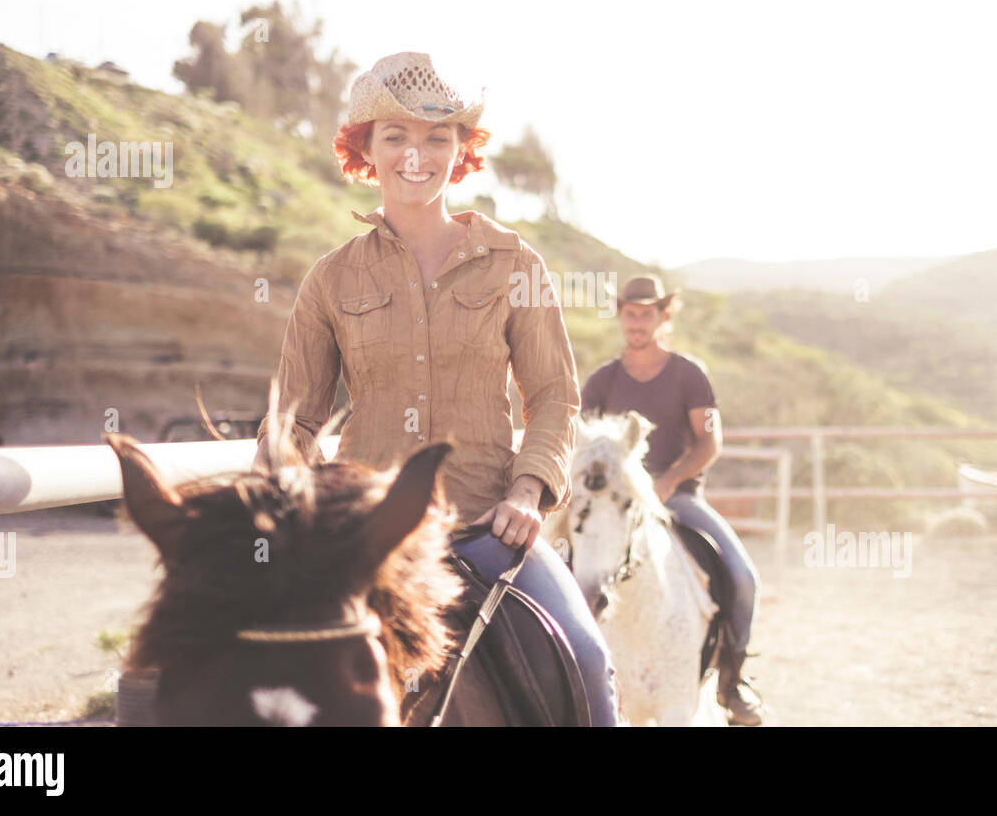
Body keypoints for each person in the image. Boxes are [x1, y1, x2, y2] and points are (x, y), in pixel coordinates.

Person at [253, 51, 619, 726]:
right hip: (366, 538)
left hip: (490, 529)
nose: (416, 156)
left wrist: (527, 492)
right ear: (366, 147)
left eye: (436, 138)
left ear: (462, 150)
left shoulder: (517, 263)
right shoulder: (330, 280)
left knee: (589, 662)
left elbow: (554, 396)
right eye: (396, 137)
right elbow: (293, 424)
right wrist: (296, 508)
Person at [580, 273, 764, 725]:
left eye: (646, 314)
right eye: (630, 314)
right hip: (613, 507)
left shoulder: (689, 373)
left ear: (663, 316)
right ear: (620, 314)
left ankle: (732, 682)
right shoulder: (603, 380)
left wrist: (666, 483)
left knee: (743, 578)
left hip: (678, 500)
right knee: (567, 571)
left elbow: (709, 442)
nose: (637, 323)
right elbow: (582, 446)